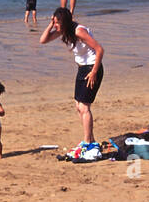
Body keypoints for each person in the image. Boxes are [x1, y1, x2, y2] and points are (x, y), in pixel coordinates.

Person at [39, 8, 104, 148]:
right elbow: (43, 40)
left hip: (92, 69)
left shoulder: (79, 31)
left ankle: (88, 142)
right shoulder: (64, 30)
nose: (56, 26)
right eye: (55, 23)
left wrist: (94, 72)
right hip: (82, 69)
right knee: (78, 106)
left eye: (57, 23)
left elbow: (99, 49)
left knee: (84, 107)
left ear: (65, 22)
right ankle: (90, 140)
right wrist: (51, 24)